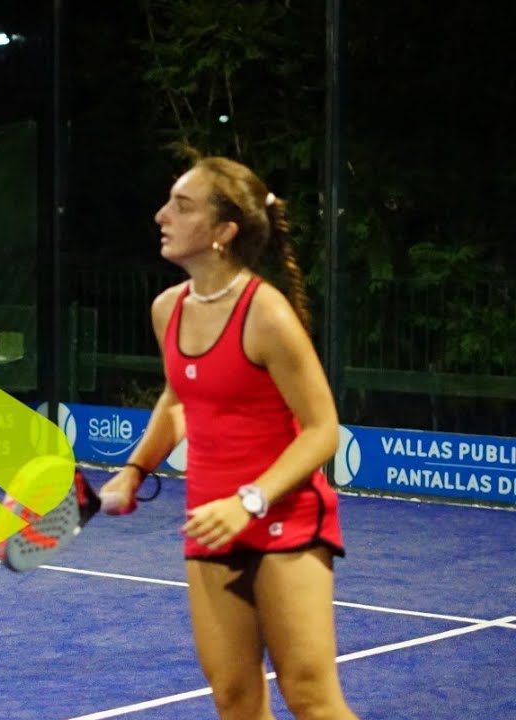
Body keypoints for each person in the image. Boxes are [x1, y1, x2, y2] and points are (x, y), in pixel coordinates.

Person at [99, 156, 360, 719]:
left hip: (284, 518)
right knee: (235, 699)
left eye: (182, 206)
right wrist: (134, 470)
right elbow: (178, 400)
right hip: (209, 521)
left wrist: (250, 501)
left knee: (311, 698)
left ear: (223, 231)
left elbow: (323, 430)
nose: (161, 215)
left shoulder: (267, 315)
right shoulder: (167, 310)